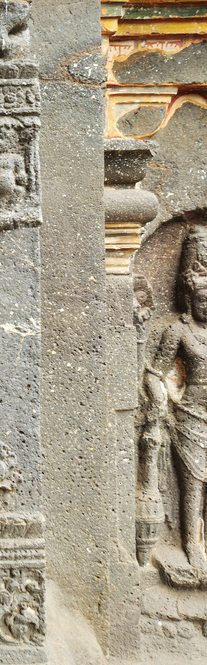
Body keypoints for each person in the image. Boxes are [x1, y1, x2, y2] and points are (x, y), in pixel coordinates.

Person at [143, 227, 207, 575]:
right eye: (202, 300)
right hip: (191, 414)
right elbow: (154, 370)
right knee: (194, 483)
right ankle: (191, 544)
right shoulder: (178, 331)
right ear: (188, 296)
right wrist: (157, 396)